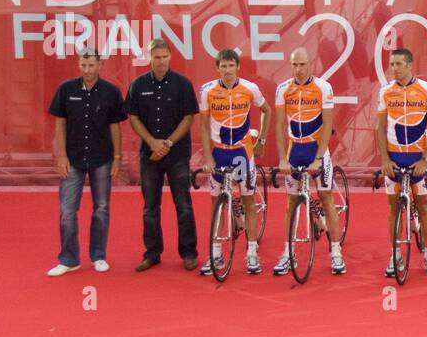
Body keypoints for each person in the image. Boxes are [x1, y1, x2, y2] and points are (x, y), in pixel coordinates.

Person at [46, 49, 125, 276]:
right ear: (78, 65)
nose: (87, 70)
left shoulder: (111, 92)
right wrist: (61, 156)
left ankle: (98, 256)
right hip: (72, 159)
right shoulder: (66, 90)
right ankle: (69, 259)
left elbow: (115, 127)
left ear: (100, 65)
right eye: (83, 65)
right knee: (67, 210)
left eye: (91, 65)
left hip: (102, 158)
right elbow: (60, 124)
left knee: (101, 208)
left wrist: (117, 158)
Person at [126, 39, 200, 272]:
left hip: (177, 154)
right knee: (150, 207)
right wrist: (151, 143)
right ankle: (152, 253)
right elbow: (133, 116)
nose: (161, 61)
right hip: (149, 156)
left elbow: (189, 117)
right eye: (156, 57)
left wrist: (167, 143)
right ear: (150, 58)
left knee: (184, 205)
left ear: (170, 56)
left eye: (164, 57)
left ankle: (188, 253)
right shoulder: (137, 85)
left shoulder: (182, 84)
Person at [273, 47, 346, 276]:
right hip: (295, 151)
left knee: (326, 198)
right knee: (290, 204)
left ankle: (336, 253)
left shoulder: (323, 88)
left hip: (317, 152)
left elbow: (327, 124)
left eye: (302, 65)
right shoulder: (283, 89)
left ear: (310, 64)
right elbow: (278, 126)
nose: (298, 69)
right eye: (294, 65)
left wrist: (318, 157)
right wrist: (283, 158)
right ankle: (287, 253)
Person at [199, 49, 269, 275]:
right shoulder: (207, 91)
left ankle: (251, 253)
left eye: (231, 66)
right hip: (219, 153)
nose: (227, 70)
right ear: (217, 67)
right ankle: (216, 253)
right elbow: (202, 125)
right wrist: (208, 157)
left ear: (237, 66)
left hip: (242, 153)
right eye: (223, 66)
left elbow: (266, 110)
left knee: (248, 202)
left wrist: (261, 141)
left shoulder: (250, 88)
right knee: (215, 204)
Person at [376, 47, 427, 277]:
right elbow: (380, 128)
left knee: (423, 205)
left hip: (417, 159)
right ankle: (395, 255)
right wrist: (384, 159)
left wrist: (425, 159)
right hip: (393, 158)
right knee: (394, 208)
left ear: (410, 65)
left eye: (398, 64)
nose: (394, 69)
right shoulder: (385, 92)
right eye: (391, 64)